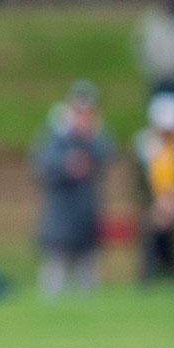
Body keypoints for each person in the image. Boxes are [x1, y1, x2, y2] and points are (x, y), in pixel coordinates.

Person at [31, 81, 113, 297]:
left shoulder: (96, 134)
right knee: (55, 268)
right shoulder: (54, 133)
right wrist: (66, 165)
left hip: (86, 213)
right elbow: (41, 164)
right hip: (59, 213)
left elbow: (106, 156)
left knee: (87, 272)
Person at [131, 92, 174, 285]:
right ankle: (148, 276)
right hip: (153, 205)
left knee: (173, 243)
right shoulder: (146, 146)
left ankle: (172, 275)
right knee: (151, 240)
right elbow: (145, 181)